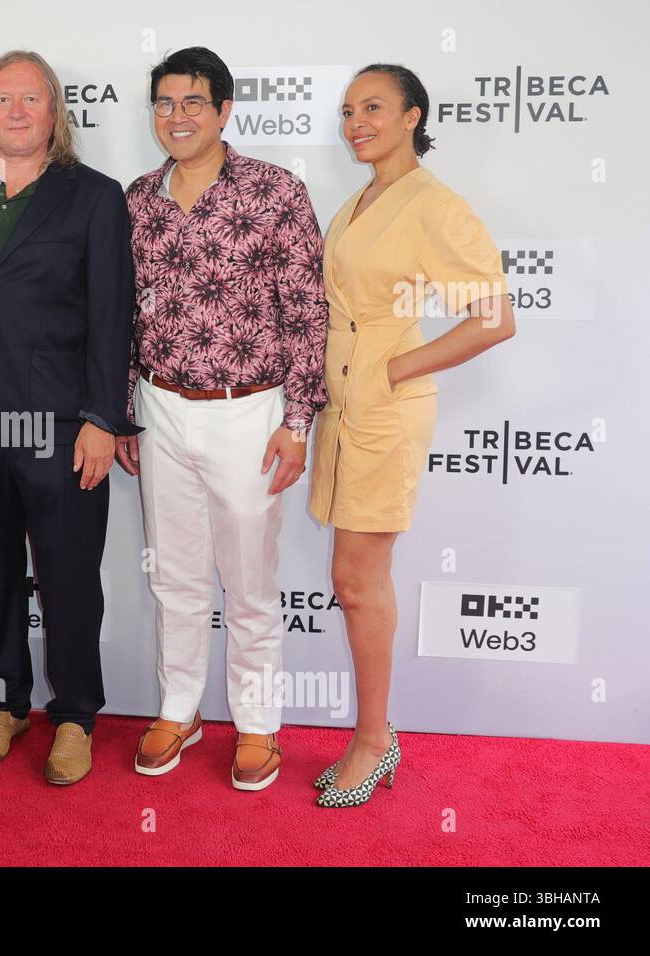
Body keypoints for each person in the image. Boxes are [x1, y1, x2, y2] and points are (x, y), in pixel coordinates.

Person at [118, 47, 328, 790]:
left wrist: (298, 419)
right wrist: (124, 413)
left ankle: (260, 723)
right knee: (174, 579)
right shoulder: (137, 199)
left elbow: (307, 310)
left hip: (252, 411)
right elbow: (122, 317)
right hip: (160, 407)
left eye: (192, 103)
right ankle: (179, 707)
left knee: (248, 583)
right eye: (164, 104)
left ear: (225, 110)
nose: (177, 117)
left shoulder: (275, 193)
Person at [0, 50, 139, 786]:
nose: (16, 111)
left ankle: (76, 715)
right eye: (1, 99)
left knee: (70, 575)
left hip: (61, 422)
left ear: (56, 111)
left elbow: (113, 317)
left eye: (31, 98)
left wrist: (103, 419)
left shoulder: (95, 195)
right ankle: (4, 702)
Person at [309, 64, 514, 807]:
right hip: (346, 407)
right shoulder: (363, 198)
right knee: (351, 580)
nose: (356, 121)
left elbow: (495, 317)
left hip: (386, 410)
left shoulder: (433, 204)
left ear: (411, 116)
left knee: (359, 584)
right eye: (347, 110)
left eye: (373, 107)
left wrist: (397, 368)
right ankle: (372, 734)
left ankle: (374, 740)